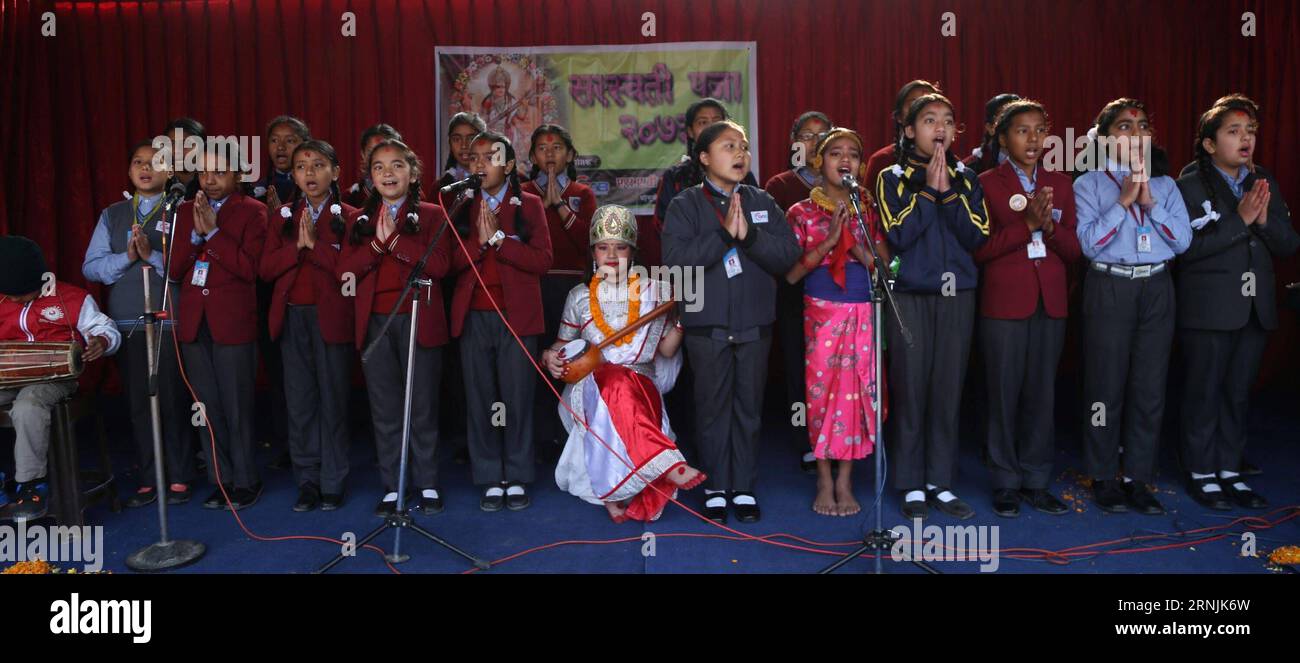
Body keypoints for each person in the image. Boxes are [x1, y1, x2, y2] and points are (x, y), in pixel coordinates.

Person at [661, 120, 800, 524]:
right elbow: (676, 264)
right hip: (707, 327)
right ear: (704, 158)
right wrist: (724, 236)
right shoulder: (685, 204)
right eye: (728, 146)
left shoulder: (762, 201)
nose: (740, 153)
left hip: (755, 325)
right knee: (711, 409)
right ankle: (716, 487)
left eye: (744, 146)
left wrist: (750, 237)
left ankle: (743, 487)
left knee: (749, 410)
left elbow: (788, 256)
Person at [1174, 94, 1298, 510]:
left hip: (1254, 307)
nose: (1246, 139)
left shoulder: (1263, 180)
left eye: (1251, 131)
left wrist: (1263, 221)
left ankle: (1229, 469)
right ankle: (1200, 470)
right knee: (1203, 391)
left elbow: (1288, 244)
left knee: (1238, 393)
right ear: (1210, 144)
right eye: (1233, 131)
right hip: (1208, 309)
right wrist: (1239, 220)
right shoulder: (1188, 185)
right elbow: (1184, 250)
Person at [546, 205, 706, 522]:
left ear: (632, 252)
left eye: (620, 247)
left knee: (621, 383)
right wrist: (548, 357)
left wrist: (681, 319)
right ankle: (666, 464)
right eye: (603, 247)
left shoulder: (657, 291)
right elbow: (561, 347)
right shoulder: (579, 296)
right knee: (613, 381)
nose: (611, 255)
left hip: (643, 383)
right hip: (589, 387)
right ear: (592, 252)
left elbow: (667, 351)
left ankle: (612, 493)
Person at [1073, 97, 1191, 515]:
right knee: (1105, 386)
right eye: (1124, 126)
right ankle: (1103, 474)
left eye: (1142, 126)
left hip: (1157, 286)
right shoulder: (1088, 184)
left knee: (1149, 386)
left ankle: (1137, 477)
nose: (1136, 133)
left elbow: (1183, 242)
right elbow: (1089, 245)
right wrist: (1122, 202)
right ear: (1105, 139)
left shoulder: (1167, 185)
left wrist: (1150, 204)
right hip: (1110, 284)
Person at [876, 93, 990, 520]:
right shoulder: (891, 177)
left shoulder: (968, 177)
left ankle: (939, 481)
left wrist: (948, 194)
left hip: (957, 296)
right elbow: (899, 234)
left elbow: (977, 235)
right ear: (909, 131)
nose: (940, 128)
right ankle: (909, 482)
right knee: (911, 387)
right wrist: (927, 192)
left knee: (947, 388)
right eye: (929, 120)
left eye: (947, 120)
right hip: (910, 295)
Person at [974, 100, 1081, 517]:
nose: (1033, 138)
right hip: (1004, 304)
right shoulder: (985, 183)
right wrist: (1027, 227)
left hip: (1050, 303)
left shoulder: (1061, 183)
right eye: (1022, 130)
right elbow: (979, 250)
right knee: (1003, 394)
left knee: (1042, 394)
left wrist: (1049, 227)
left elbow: (1074, 250)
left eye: (1040, 130)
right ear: (1003, 138)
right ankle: (1004, 481)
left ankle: (1036, 480)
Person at [82, 140, 196, 507]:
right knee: (138, 402)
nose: (145, 168)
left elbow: (192, 264)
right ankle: (149, 476)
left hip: (168, 318)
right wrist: (127, 257)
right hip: (128, 320)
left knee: (171, 399)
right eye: (137, 162)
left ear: (170, 171)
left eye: (154, 162)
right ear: (130, 170)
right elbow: (91, 267)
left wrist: (153, 256)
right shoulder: (113, 214)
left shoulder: (183, 210)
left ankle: (179, 475)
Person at [782, 128, 890, 517]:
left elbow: (882, 266)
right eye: (835, 153)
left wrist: (851, 242)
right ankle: (824, 479)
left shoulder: (868, 209)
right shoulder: (800, 212)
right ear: (818, 162)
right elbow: (792, 274)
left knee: (857, 393)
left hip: (862, 309)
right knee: (822, 396)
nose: (846, 160)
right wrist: (829, 241)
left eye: (854, 154)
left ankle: (846, 479)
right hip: (822, 313)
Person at [0, 237, 120, 522]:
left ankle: (31, 486)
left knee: (28, 406)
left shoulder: (72, 298)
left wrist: (102, 342)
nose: (13, 299)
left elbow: (107, 329)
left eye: (21, 294)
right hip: (8, 375)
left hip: (57, 378)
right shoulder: (3, 299)